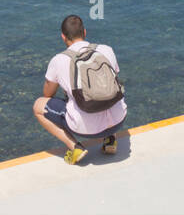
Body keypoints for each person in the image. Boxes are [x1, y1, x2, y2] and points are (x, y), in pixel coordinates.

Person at [32, 15, 127, 165]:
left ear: (63, 37)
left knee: (38, 105)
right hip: (119, 121)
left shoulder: (58, 60)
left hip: (85, 129)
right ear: (85, 32)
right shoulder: (106, 50)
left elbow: (47, 94)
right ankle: (110, 139)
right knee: (108, 86)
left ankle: (75, 147)